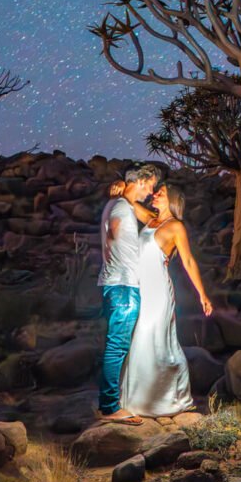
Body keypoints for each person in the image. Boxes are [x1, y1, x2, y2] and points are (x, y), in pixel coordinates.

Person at [118, 181, 213, 417]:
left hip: (159, 290)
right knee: (139, 340)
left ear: (172, 199)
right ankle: (139, 402)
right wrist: (122, 189)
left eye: (160, 193)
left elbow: (188, 261)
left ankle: (174, 398)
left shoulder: (176, 227)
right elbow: (130, 202)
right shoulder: (150, 218)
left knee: (159, 340)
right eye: (156, 192)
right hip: (141, 288)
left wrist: (202, 294)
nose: (155, 195)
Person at [97, 164, 160, 423]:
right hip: (123, 286)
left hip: (115, 284)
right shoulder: (121, 207)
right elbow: (114, 232)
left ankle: (111, 402)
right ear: (143, 180)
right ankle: (110, 407)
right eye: (152, 185)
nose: (152, 191)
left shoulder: (118, 204)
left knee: (117, 345)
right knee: (117, 346)